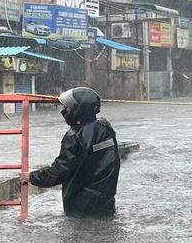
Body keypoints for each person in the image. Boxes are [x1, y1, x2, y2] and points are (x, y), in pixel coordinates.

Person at [24, 87, 120, 217]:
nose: (65, 111)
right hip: (106, 204)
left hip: (81, 208)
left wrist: (31, 176)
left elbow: (60, 170)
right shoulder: (106, 128)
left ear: (78, 110)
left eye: (68, 108)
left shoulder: (74, 136)